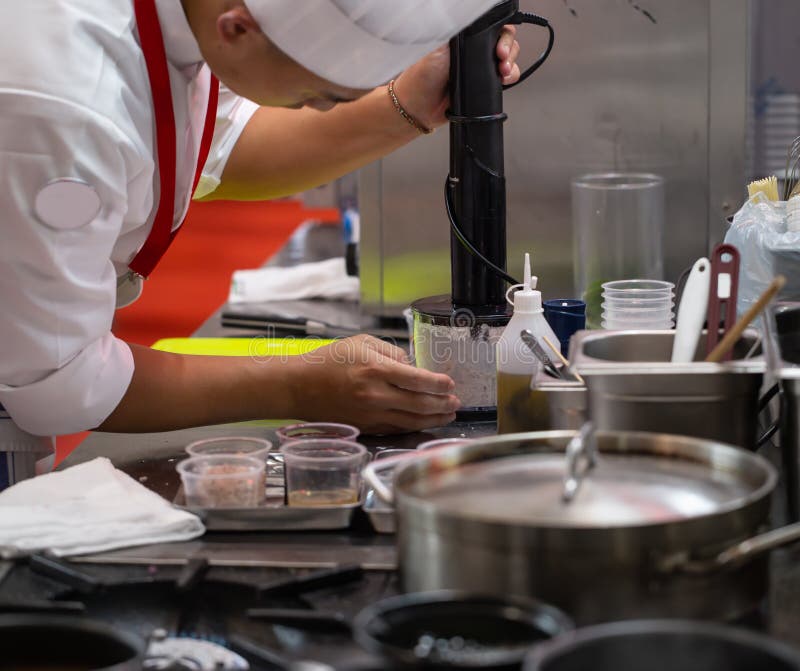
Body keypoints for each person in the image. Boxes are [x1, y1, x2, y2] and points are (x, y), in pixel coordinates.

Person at [0, 0, 522, 462]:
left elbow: (216, 147)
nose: (320, 108)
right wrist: (297, 388)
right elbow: (62, 381)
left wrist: (409, 99)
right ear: (237, 29)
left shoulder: (183, 19)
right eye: (318, 96)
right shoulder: (64, 102)